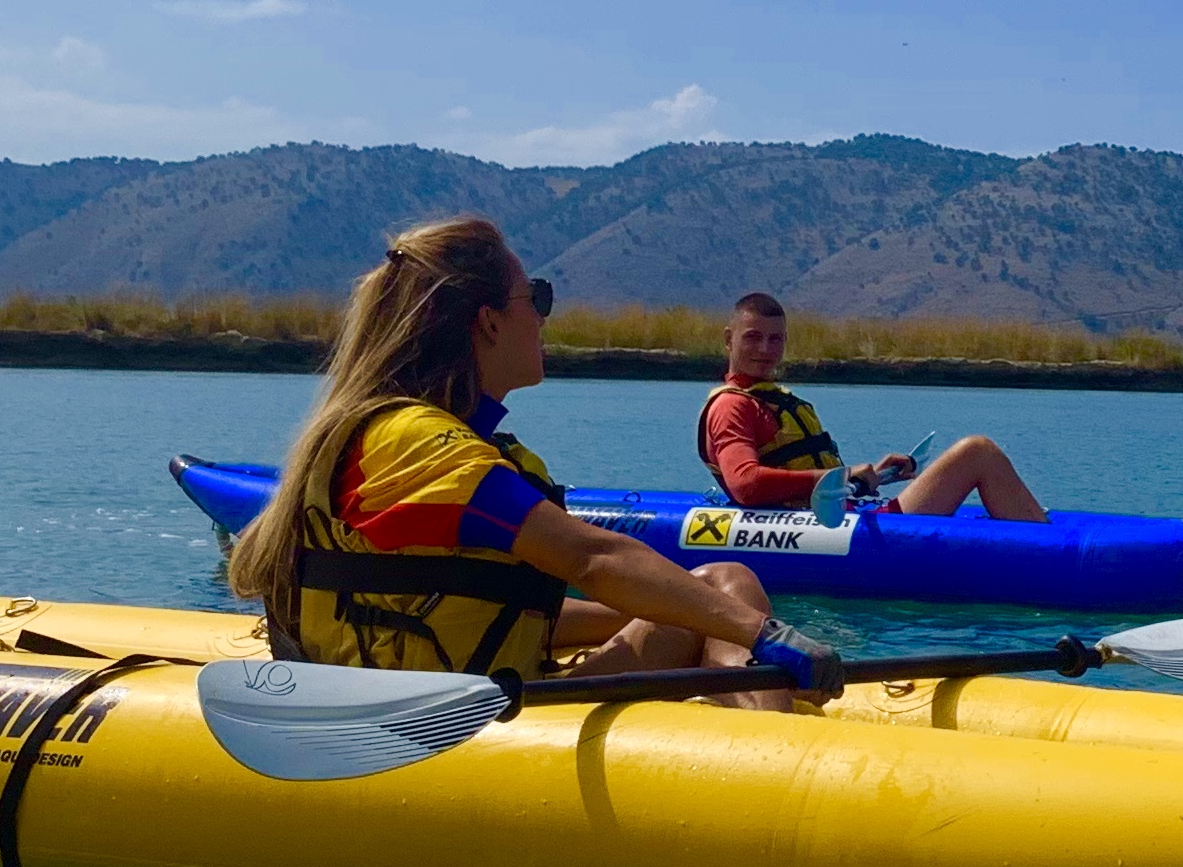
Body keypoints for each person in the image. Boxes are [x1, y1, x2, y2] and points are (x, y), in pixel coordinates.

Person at [229, 220, 834, 706]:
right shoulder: (417, 446)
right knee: (728, 589)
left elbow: (480, 603)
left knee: (714, 597)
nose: (543, 317)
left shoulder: (406, 435)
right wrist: (765, 633)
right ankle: (776, 774)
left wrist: (664, 611)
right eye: (535, 297)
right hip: (454, 718)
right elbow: (592, 557)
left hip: (452, 688)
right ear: (489, 322)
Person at [701, 292, 1047, 522]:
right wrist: (842, 476)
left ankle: (1044, 539)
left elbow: (815, 485)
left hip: (842, 518)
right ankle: (1053, 554)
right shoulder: (732, 406)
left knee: (977, 453)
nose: (765, 349)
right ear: (729, 339)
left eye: (775, 339)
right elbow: (745, 484)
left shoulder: (771, 398)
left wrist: (875, 475)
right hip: (826, 531)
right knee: (977, 453)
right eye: (753, 337)